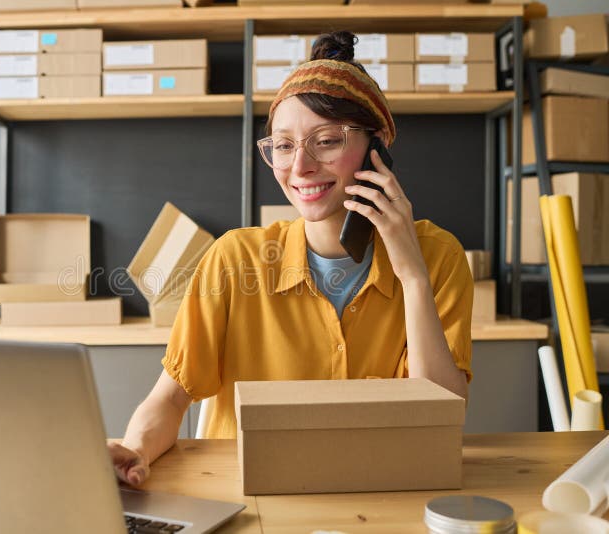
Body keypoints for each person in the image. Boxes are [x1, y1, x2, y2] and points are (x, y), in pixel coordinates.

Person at [109, 30, 474, 487]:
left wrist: (412, 277)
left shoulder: (439, 257)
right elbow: (168, 401)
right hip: (249, 496)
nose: (299, 167)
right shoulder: (232, 260)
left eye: (326, 141)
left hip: (381, 493)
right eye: (283, 145)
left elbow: (440, 420)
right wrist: (135, 450)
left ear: (377, 145)